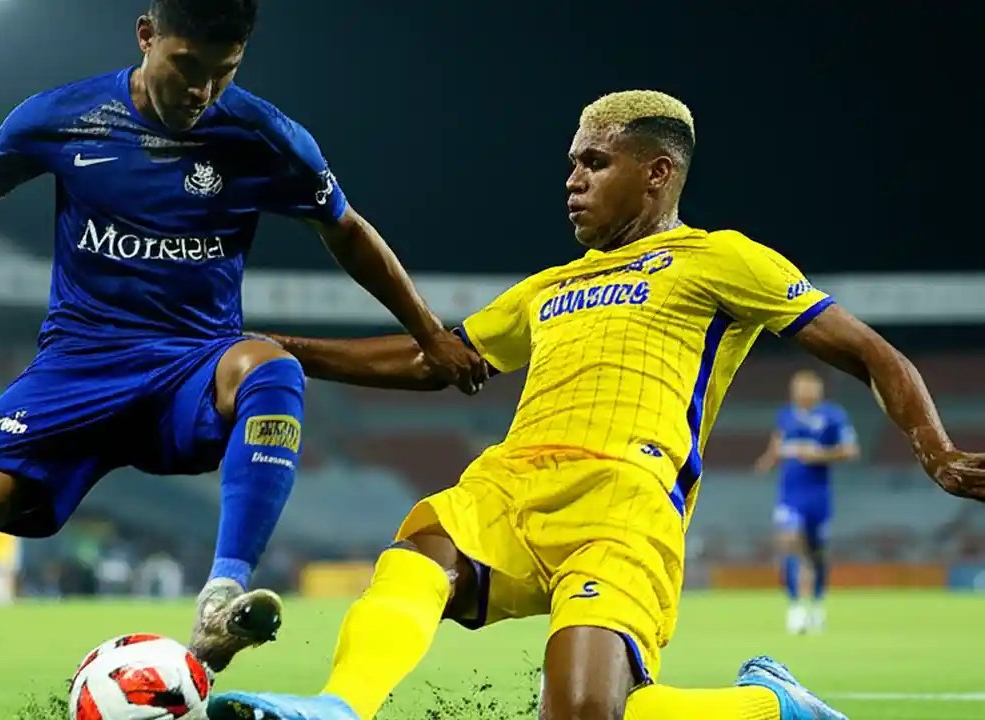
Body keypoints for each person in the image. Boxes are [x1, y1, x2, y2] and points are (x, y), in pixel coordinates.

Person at [208, 90, 985, 720]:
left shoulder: (720, 259)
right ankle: (340, 707)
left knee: (582, 712)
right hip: (512, 482)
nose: (572, 180)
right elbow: (435, 357)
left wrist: (937, 448)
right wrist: (280, 346)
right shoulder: (549, 286)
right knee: (421, 554)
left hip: (626, 500)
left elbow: (869, 351)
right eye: (572, 163)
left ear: (656, 173)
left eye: (594, 162)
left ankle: (770, 706)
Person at [0, 1, 484, 718]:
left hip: (190, 369)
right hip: (78, 366)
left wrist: (428, 331)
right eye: (186, 67)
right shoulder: (63, 116)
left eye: (222, 73)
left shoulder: (264, 137)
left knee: (272, 366)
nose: (201, 91)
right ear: (145, 35)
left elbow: (345, 231)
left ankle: (221, 596)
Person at [754, 369, 858, 634]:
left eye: (808, 388)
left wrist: (819, 455)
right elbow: (777, 444)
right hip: (790, 495)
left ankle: (817, 605)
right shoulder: (785, 415)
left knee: (817, 552)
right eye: (798, 388)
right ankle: (795, 608)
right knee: (789, 543)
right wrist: (768, 460)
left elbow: (851, 451)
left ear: (818, 391)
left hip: (818, 496)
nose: (803, 393)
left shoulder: (833, 416)